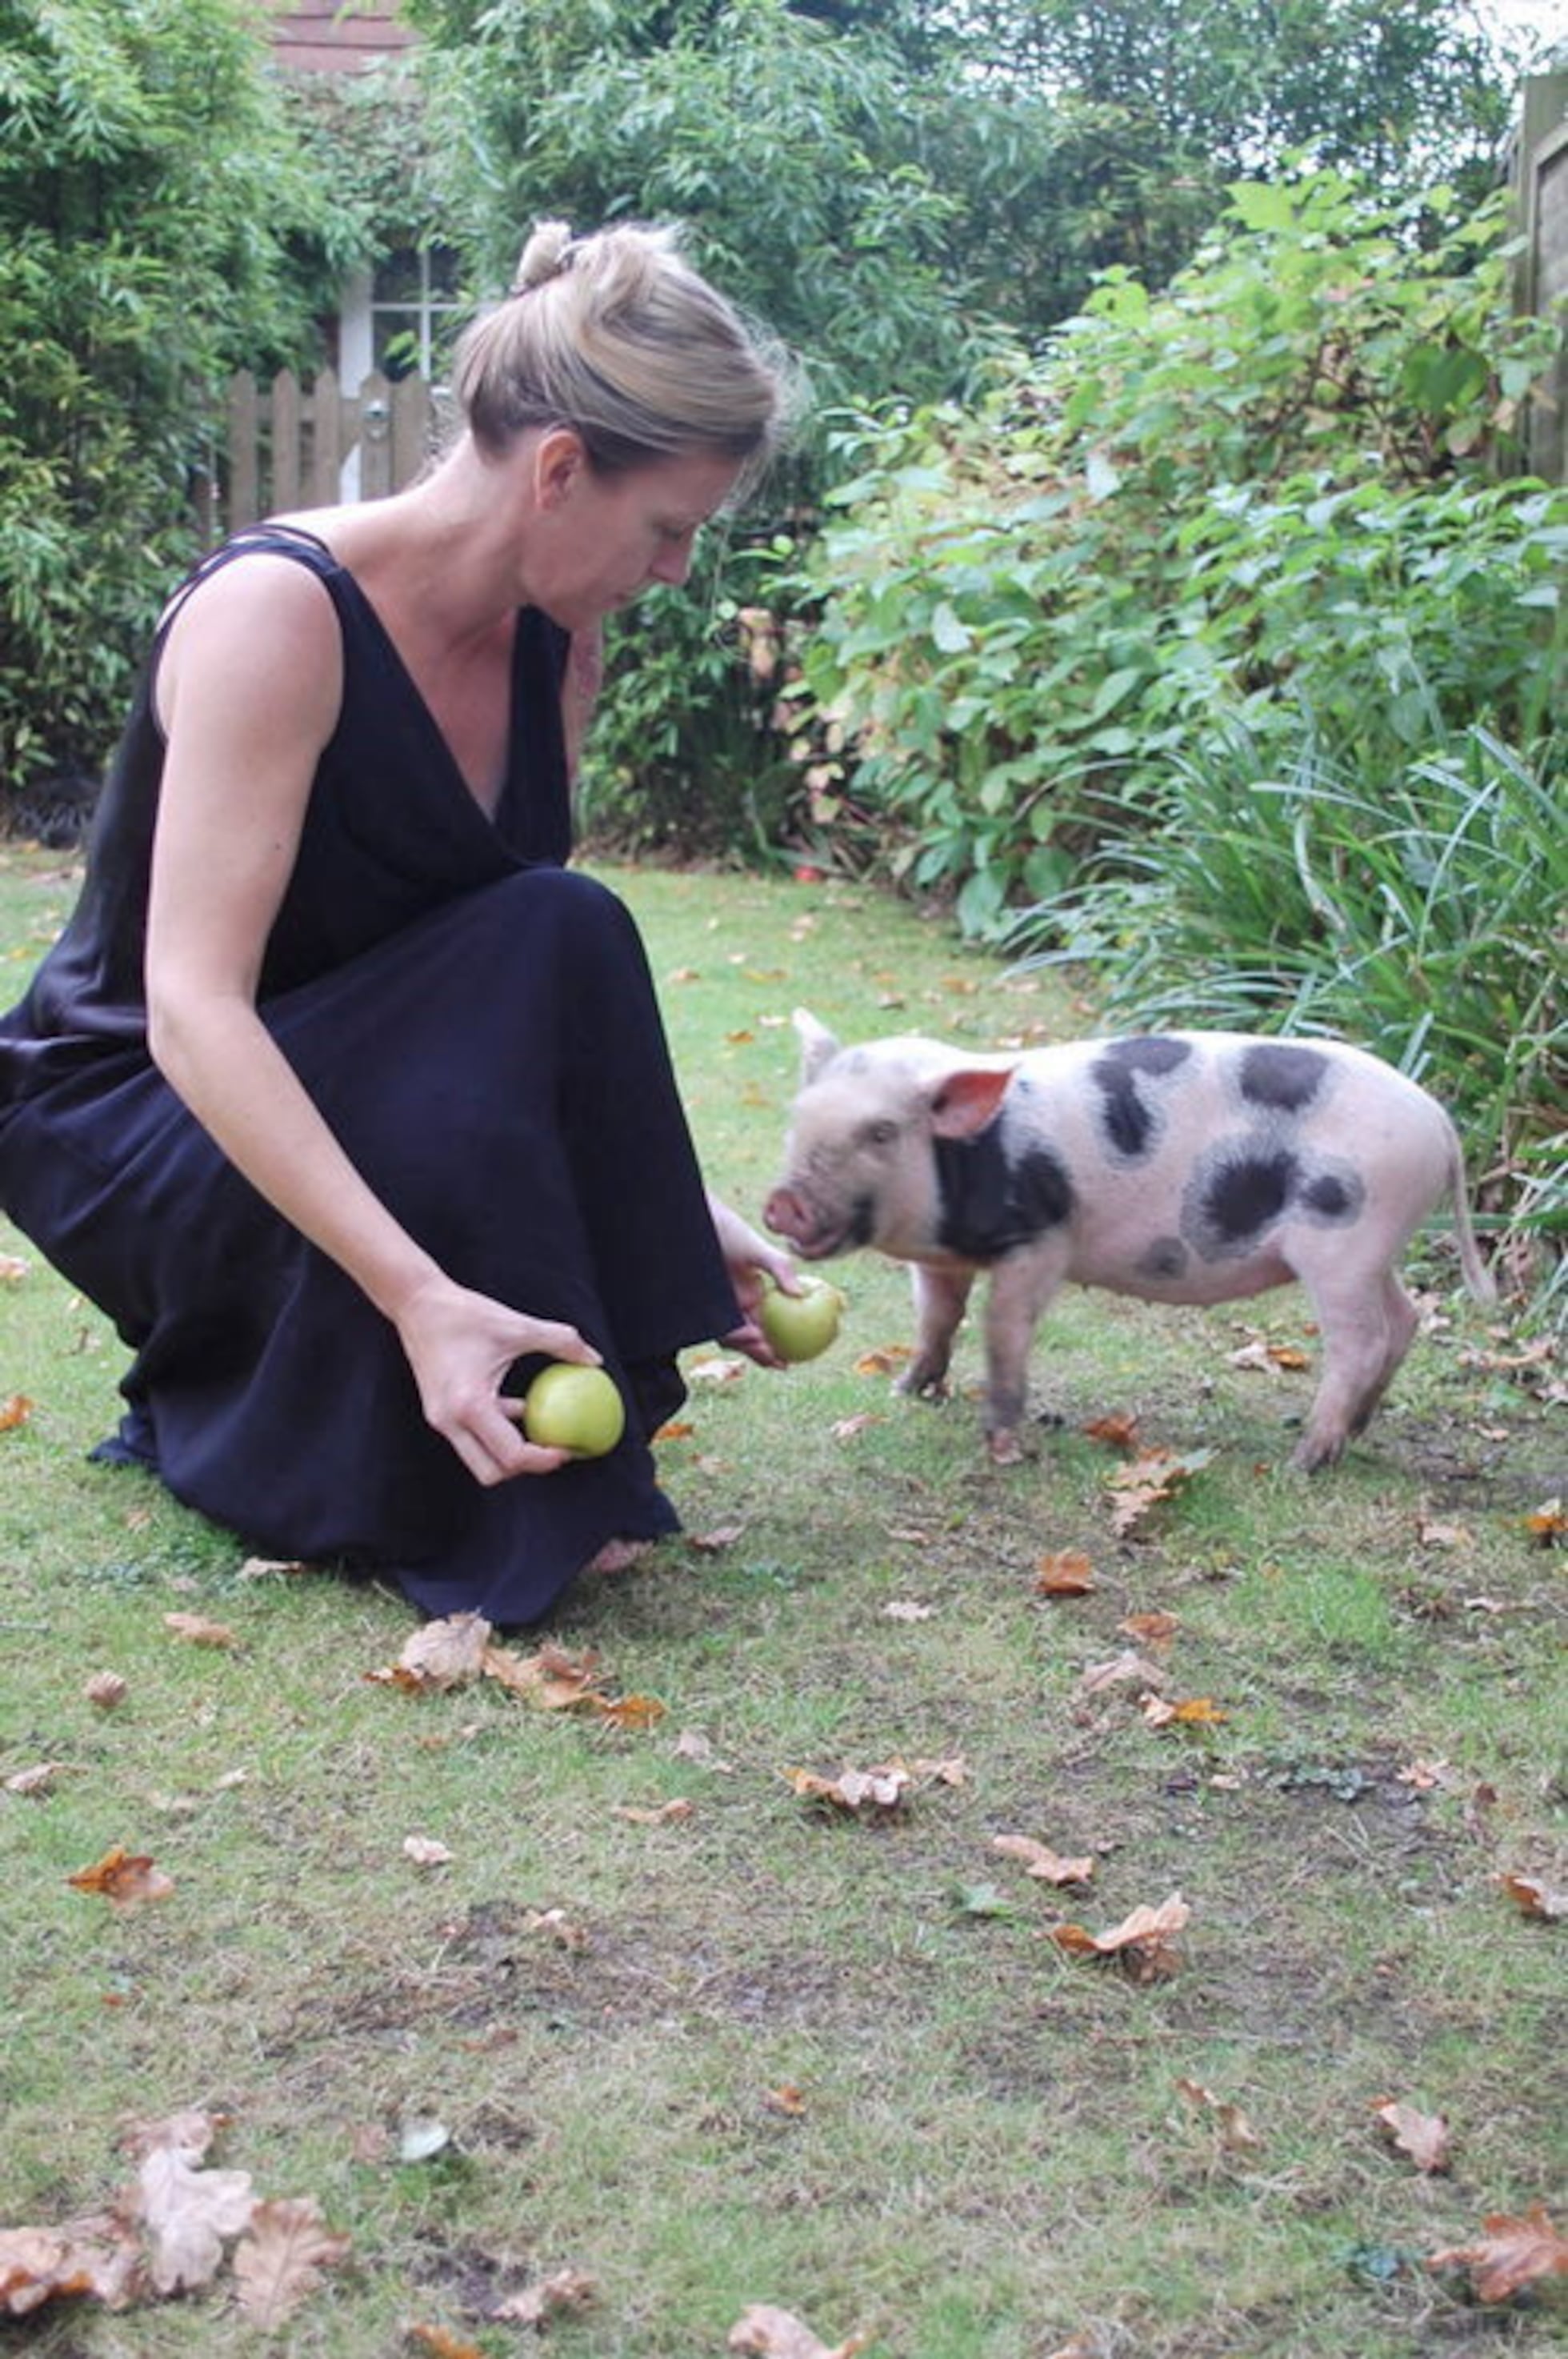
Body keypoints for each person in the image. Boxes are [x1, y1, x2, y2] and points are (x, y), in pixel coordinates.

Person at [0, 218, 803, 1628]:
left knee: (557, 922)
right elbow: (194, 1009)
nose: (677, 570)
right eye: (669, 526)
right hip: (137, 1109)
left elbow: (492, 988)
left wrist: (681, 1207)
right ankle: (349, 1425)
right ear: (561, 470)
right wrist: (418, 1294)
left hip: (352, 1078)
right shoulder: (277, 616)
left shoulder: (558, 643)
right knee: (557, 925)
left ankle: (463, 1428)